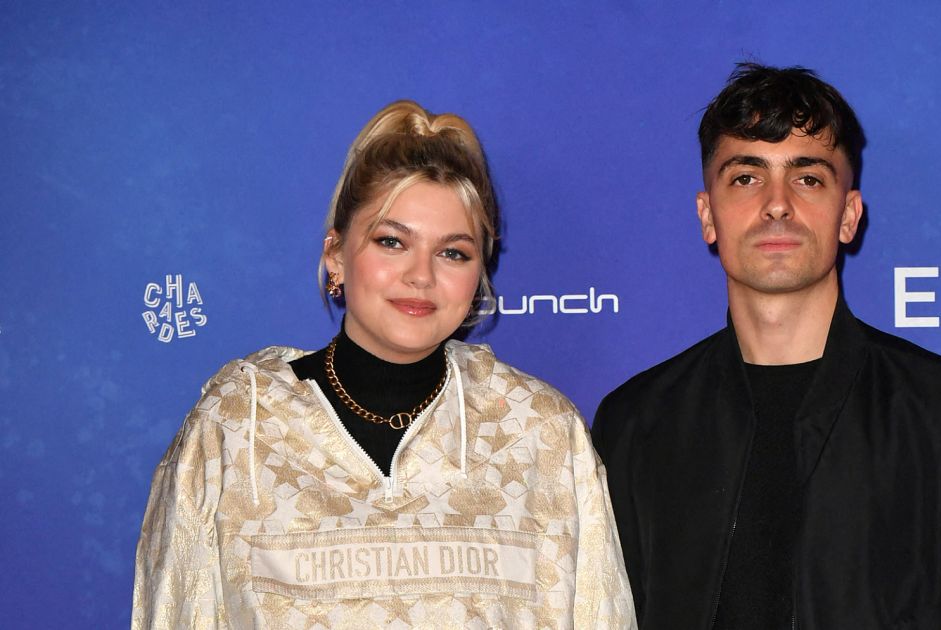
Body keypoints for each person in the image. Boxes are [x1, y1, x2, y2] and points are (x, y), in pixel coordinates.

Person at [132, 100, 634, 629]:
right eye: (391, 242)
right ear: (336, 255)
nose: (421, 275)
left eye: (453, 253)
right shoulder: (237, 425)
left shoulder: (541, 432)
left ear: (479, 274)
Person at [590, 64, 941, 628]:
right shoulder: (636, 423)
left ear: (849, 215)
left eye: (808, 178)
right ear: (707, 215)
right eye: (746, 177)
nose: (777, 204)